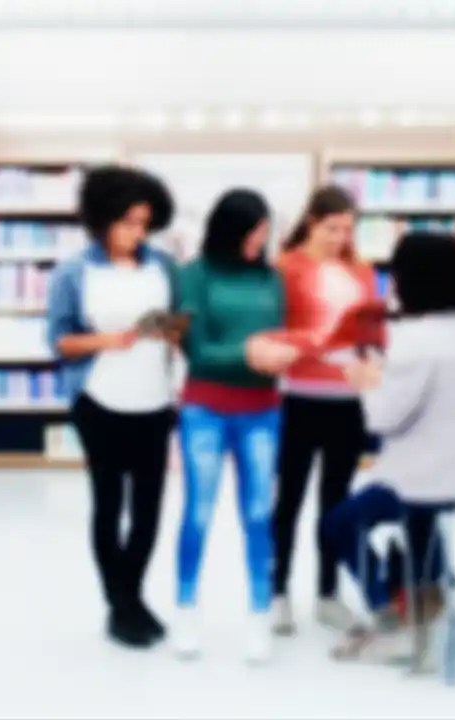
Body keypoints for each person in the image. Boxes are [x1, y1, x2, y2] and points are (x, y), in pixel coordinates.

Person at [322, 232, 455, 658]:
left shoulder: (416, 339)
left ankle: (389, 617)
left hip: (425, 473)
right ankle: (424, 595)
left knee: (340, 524)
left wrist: (367, 382)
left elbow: (384, 419)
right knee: (418, 518)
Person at [46, 166, 178, 648]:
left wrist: (173, 331)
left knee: (148, 510)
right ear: (101, 219)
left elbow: (181, 328)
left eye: (144, 223)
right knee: (108, 504)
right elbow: (58, 340)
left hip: (155, 399)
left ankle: (133, 597)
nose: (136, 233)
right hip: (99, 400)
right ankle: (120, 605)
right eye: (127, 222)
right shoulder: (74, 272)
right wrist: (112, 339)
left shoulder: (163, 266)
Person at [173, 189, 299, 663]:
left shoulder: (273, 279)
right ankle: (186, 610)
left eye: (266, 232)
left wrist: (282, 354)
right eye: (255, 232)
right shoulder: (194, 276)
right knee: (199, 513)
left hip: (263, 410)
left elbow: (279, 337)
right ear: (230, 230)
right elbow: (198, 352)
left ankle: (259, 615)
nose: (262, 241)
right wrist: (250, 353)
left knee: (258, 515)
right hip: (204, 409)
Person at [271, 186, 383, 635]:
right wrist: (313, 341)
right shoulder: (285, 267)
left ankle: (327, 592)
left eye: (348, 229)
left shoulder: (361, 271)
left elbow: (369, 330)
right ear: (311, 221)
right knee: (290, 499)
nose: (340, 237)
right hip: (298, 395)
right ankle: (278, 592)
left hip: (348, 399)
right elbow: (274, 329)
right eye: (332, 227)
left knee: (335, 502)